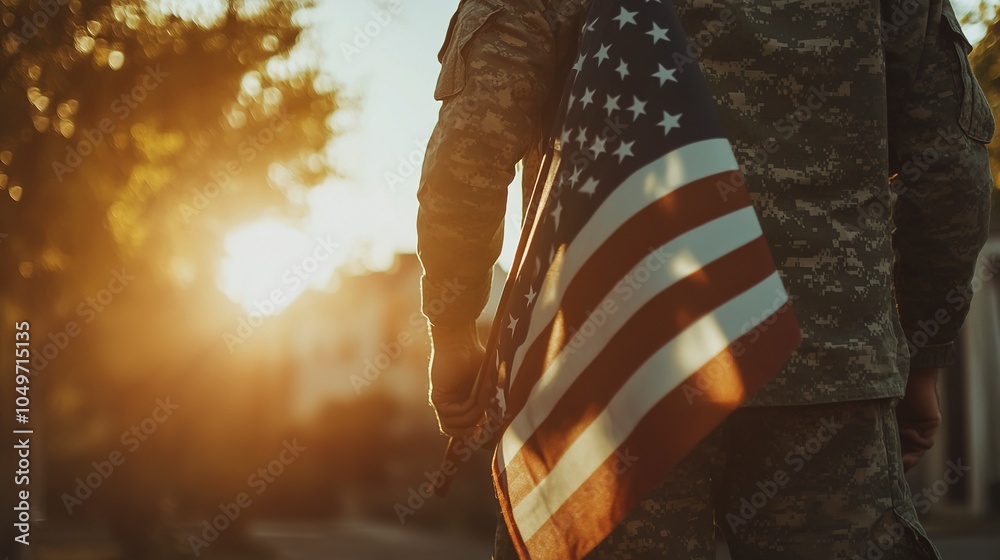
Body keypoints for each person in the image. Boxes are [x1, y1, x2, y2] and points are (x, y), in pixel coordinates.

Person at [416, 0, 995, 558]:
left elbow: (474, 140)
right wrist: (925, 355)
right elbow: (949, 161)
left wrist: (453, 328)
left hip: (616, 371)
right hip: (827, 372)